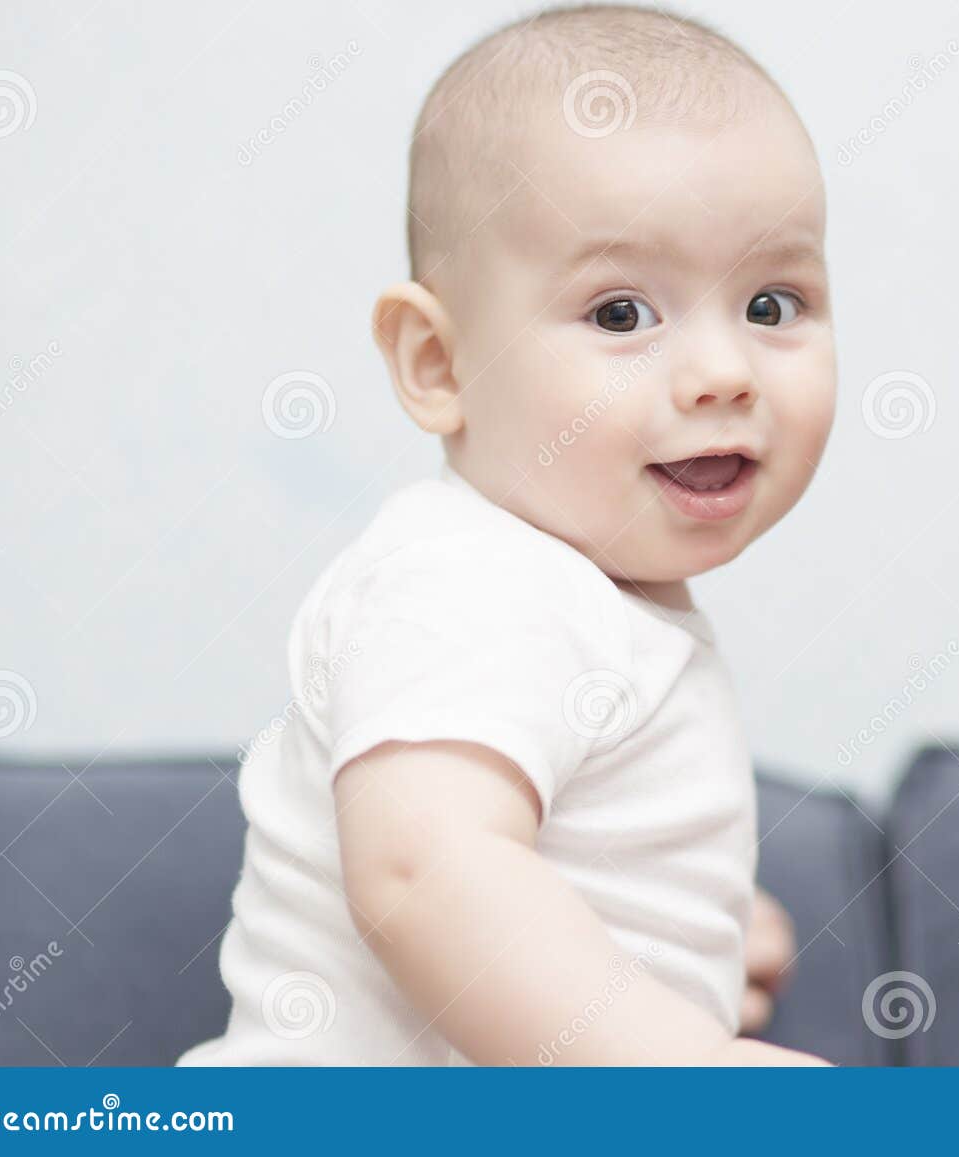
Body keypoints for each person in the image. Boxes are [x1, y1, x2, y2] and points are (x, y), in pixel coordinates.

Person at [180, 3, 835, 1065]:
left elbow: (534, 873)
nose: (726, 370)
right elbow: (424, 873)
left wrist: (686, 939)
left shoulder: (569, 591)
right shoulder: (466, 577)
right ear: (439, 364)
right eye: (621, 313)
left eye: (771, 302)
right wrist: (688, 1062)